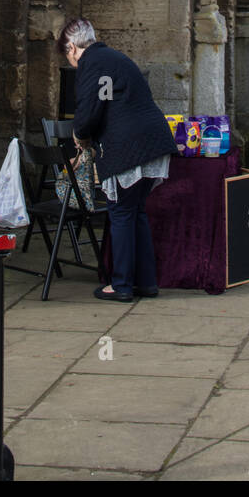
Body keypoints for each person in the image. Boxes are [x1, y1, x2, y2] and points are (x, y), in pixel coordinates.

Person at [58, 17, 178, 302]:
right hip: (150, 141)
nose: (70, 60)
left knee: (122, 213)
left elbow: (89, 110)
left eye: (67, 54)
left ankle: (122, 285)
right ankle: (145, 283)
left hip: (130, 146)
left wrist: (79, 135)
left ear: (72, 48)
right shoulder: (111, 57)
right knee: (135, 212)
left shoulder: (93, 63)